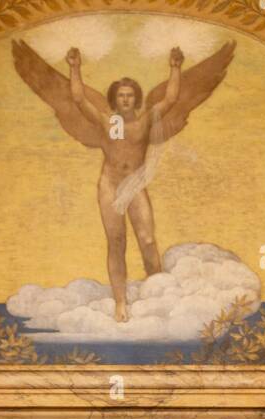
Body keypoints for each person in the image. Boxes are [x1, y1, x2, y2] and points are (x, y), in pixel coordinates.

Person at [12, 39, 235, 322]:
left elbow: (171, 99)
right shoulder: (106, 122)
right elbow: (79, 100)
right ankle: (120, 303)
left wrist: (176, 68)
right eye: (121, 95)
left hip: (135, 186)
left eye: (130, 95)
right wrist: (75, 68)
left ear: (136, 98)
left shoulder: (145, 121)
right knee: (116, 242)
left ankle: (158, 293)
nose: (126, 99)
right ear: (114, 99)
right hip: (110, 186)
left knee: (148, 239)